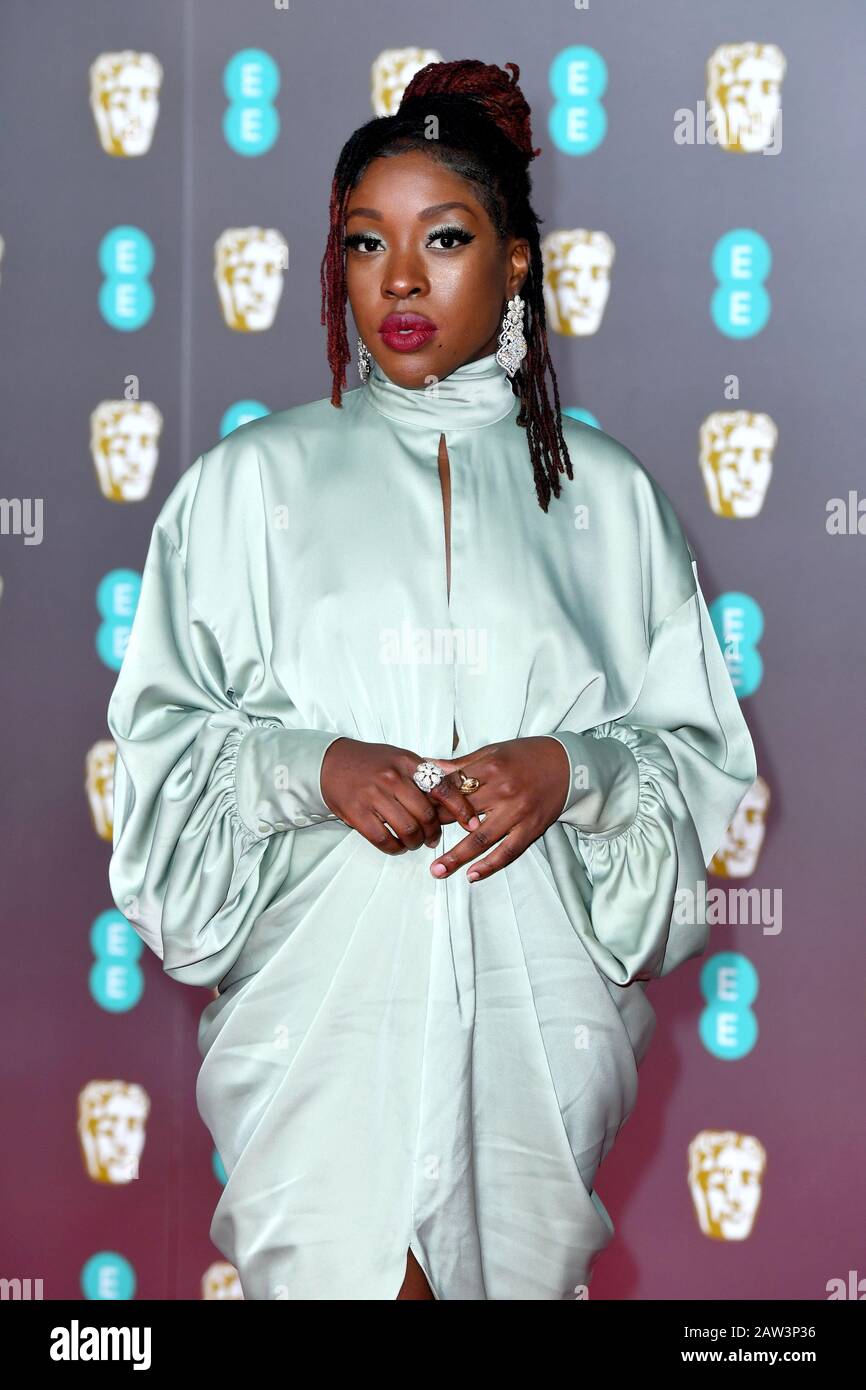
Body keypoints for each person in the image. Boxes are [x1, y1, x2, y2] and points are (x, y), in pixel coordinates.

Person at [106, 58, 757, 1301]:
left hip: (535, 1027)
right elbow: (165, 761)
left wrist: (571, 771)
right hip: (320, 1024)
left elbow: (696, 776)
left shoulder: (607, 498)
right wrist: (312, 767)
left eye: (443, 239)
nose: (398, 280)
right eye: (365, 244)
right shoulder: (246, 487)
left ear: (513, 262)